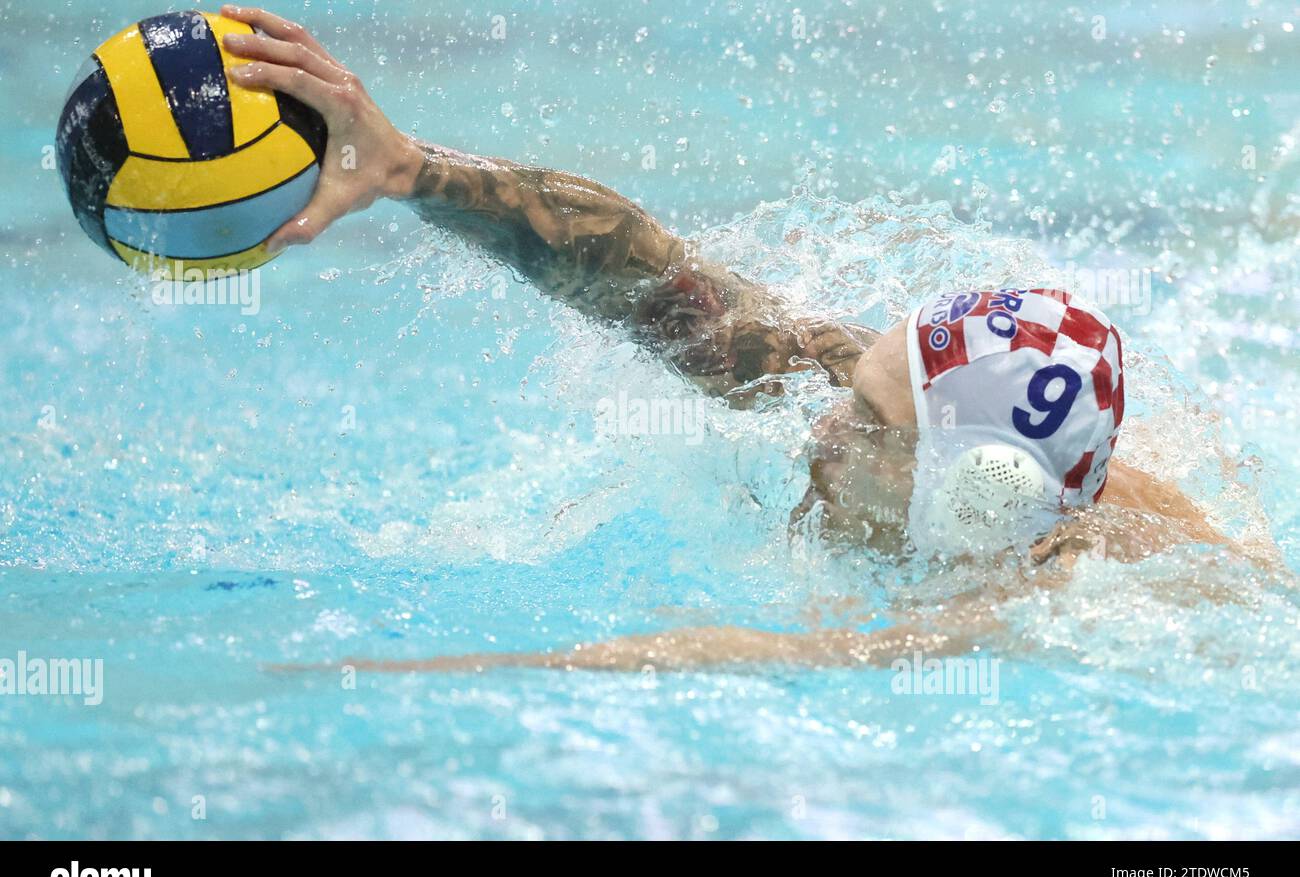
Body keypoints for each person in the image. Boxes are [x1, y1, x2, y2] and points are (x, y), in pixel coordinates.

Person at [220, 6, 1266, 672]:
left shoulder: (1021, 612)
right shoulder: (957, 429)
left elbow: (750, 655)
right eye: (851, 385)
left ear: (966, 491)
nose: (822, 417)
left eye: (865, 417)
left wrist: (456, 672)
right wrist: (411, 170)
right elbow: (656, 279)